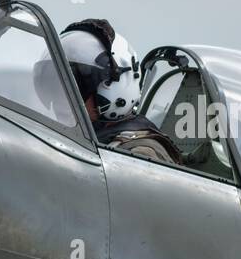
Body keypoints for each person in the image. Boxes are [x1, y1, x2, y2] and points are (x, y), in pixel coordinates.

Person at [50, 18, 180, 164]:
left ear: (114, 87)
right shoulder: (71, 140)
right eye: (53, 85)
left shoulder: (142, 154)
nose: (59, 97)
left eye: (76, 85)